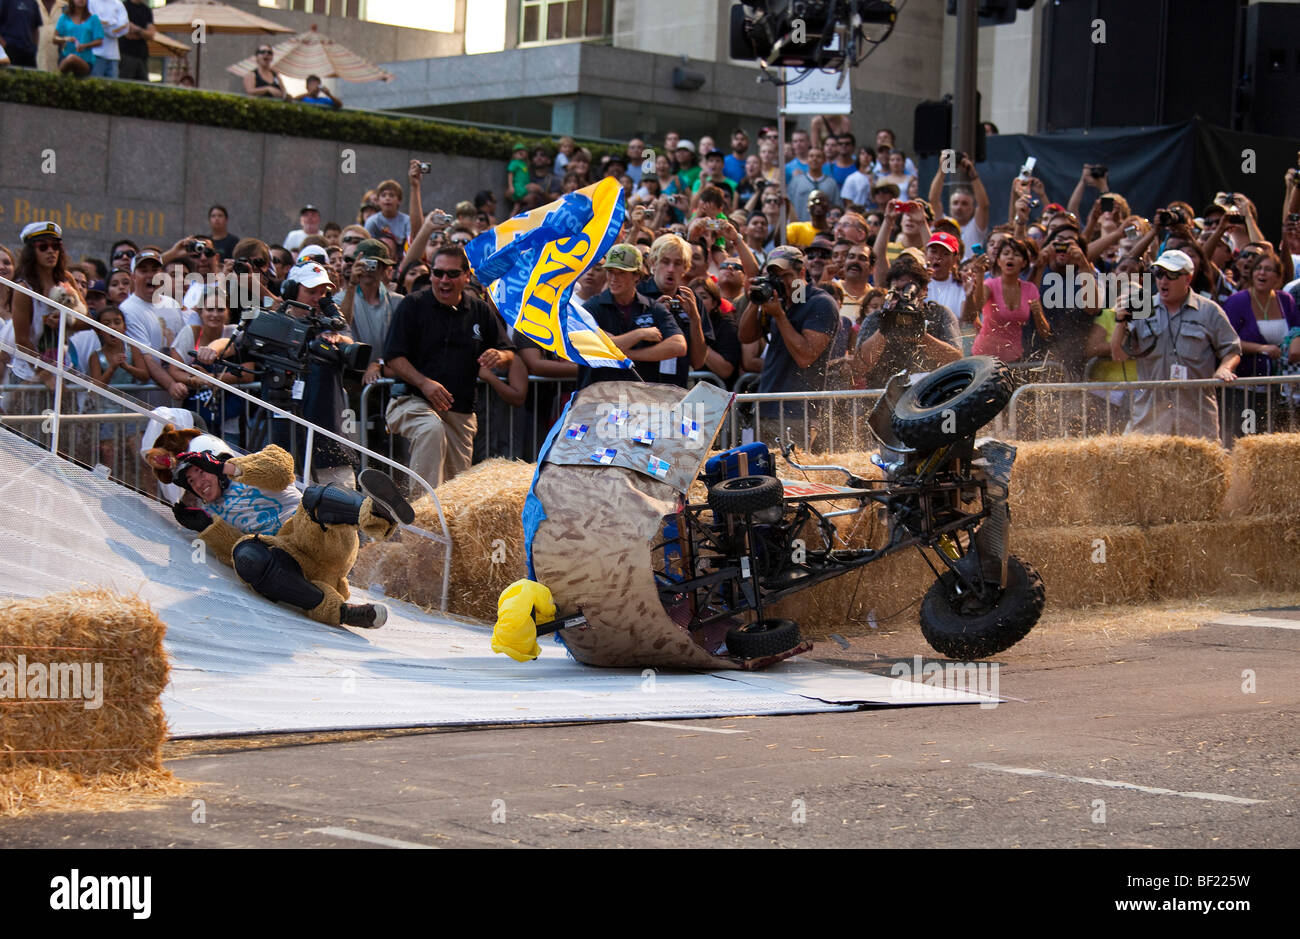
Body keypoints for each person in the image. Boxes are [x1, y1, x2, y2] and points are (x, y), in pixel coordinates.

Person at [169, 446, 413, 629]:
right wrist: (206, 528)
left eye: (201, 472)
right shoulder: (212, 513)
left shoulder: (247, 469)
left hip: (318, 536)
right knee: (245, 555)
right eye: (191, 481)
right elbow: (231, 553)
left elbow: (282, 467)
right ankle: (342, 612)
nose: (198, 484)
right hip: (291, 560)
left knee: (313, 496)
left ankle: (379, 514)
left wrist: (226, 467)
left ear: (214, 463)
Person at [383, 245, 514, 491]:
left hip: (461, 412)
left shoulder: (480, 310)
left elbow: (509, 353)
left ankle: (445, 526)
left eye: (452, 274)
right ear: (431, 274)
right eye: (438, 273)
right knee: (431, 429)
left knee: (456, 489)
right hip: (411, 401)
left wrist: (500, 355)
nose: (444, 280)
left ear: (466, 276)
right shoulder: (413, 305)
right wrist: (424, 383)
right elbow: (392, 357)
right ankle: (421, 518)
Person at [1113, 250, 1241, 441]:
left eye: (1171, 275)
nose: (1163, 281)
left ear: (1187, 278)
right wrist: (1120, 321)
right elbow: (1118, 356)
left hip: (1196, 417)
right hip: (1150, 417)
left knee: (1200, 470)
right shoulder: (1140, 308)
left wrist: (1224, 369)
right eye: (1159, 274)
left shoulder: (1209, 310)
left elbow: (1232, 349)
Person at [736, 246, 841, 447]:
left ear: (802, 273)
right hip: (767, 405)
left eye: (786, 276)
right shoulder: (779, 302)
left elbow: (806, 357)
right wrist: (755, 299)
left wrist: (779, 316)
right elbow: (746, 336)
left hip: (796, 412)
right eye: (775, 277)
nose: (781, 283)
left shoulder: (820, 303)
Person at [576, 243, 685, 389]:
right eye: (610, 272)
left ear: (637, 276)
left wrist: (629, 355)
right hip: (598, 399)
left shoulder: (653, 308)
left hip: (641, 400)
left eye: (621, 273)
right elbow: (595, 347)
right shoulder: (591, 308)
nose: (614, 278)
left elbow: (679, 345)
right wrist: (640, 334)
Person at [853, 252, 963, 390]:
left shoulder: (939, 314)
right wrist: (884, 330)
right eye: (897, 290)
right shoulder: (877, 318)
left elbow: (956, 359)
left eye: (909, 289)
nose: (902, 296)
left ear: (924, 290)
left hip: (929, 394)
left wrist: (921, 336)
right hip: (884, 397)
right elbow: (859, 366)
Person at [967, 238, 1042, 362]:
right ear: (999, 261)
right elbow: (977, 307)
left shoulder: (1030, 289)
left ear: (1024, 263)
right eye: (1006, 254)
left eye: (1016, 254)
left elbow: (1044, 331)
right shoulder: (989, 285)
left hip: (1014, 359)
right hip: (983, 358)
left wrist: (1038, 314)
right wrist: (980, 275)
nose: (1010, 257)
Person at [787, 148, 841, 222]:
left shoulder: (831, 183)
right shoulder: (796, 181)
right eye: (811, 156)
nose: (814, 159)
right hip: (800, 227)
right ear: (807, 160)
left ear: (824, 161)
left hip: (824, 228)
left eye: (818, 156)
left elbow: (837, 207)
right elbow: (789, 205)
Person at [52, 0, 102, 76]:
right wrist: (66, 39)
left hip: (85, 60)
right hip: (65, 56)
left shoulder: (93, 19)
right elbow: (54, 38)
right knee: (70, 59)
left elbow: (99, 41)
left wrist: (84, 46)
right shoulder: (64, 18)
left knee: (72, 58)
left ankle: (54, 77)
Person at [0, 0, 43, 68]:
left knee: (31, 77)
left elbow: (36, 29)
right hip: (9, 52)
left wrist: (34, 47)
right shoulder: (5, 1)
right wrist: (5, 46)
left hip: (28, 52)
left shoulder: (33, 3)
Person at [86, 0, 123, 77]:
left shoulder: (118, 4)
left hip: (113, 55)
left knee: (113, 86)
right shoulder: (90, 2)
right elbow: (94, 24)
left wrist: (107, 24)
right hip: (96, 53)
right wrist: (112, 24)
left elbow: (124, 26)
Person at [117, 0, 150, 79]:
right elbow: (127, 33)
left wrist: (137, 30)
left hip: (142, 55)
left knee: (144, 86)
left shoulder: (146, 10)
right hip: (126, 54)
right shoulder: (123, 6)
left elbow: (151, 35)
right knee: (125, 84)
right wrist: (144, 33)